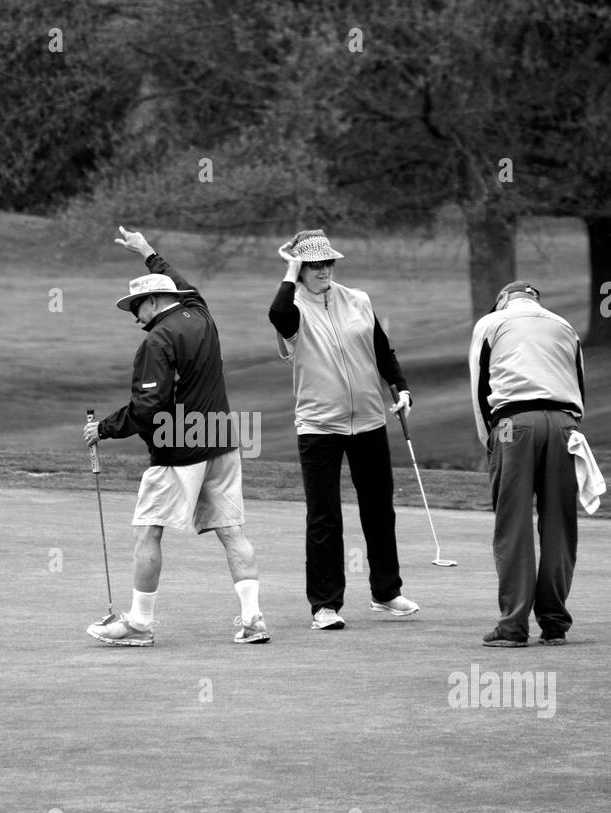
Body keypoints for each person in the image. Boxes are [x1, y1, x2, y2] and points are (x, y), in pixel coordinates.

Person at [83, 226, 268, 647]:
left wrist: (105, 429)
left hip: (179, 447)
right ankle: (253, 619)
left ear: (154, 301)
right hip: (221, 437)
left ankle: (140, 624)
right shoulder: (200, 312)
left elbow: (148, 408)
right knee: (232, 531)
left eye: (136, 307)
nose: (135, 318)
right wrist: (147, 251)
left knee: (148, 531)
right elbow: (183, 284)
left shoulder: (158, 341)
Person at [269, 229, 419, 630]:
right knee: (324, 516)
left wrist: (400, 386)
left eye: (327, 262)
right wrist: (290, 272)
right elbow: (278, 316)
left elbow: (382, 350)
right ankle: (325, 605)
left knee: (378, 510)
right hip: (319, 424)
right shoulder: (294, 306)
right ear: (300, 267)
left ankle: (386, 593)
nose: (323, 270)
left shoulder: (358, 299)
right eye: (313, 264)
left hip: (369, 419)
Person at [468, 280, 587, 647]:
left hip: (513, 425)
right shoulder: (564, 325)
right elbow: (579, 385)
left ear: (503, 300)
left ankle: (513, 626)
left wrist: (488, 439)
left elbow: (479, 388)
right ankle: (553, 623)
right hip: (565, 426)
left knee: (513, 524)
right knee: (559, 524)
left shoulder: (490, 324)